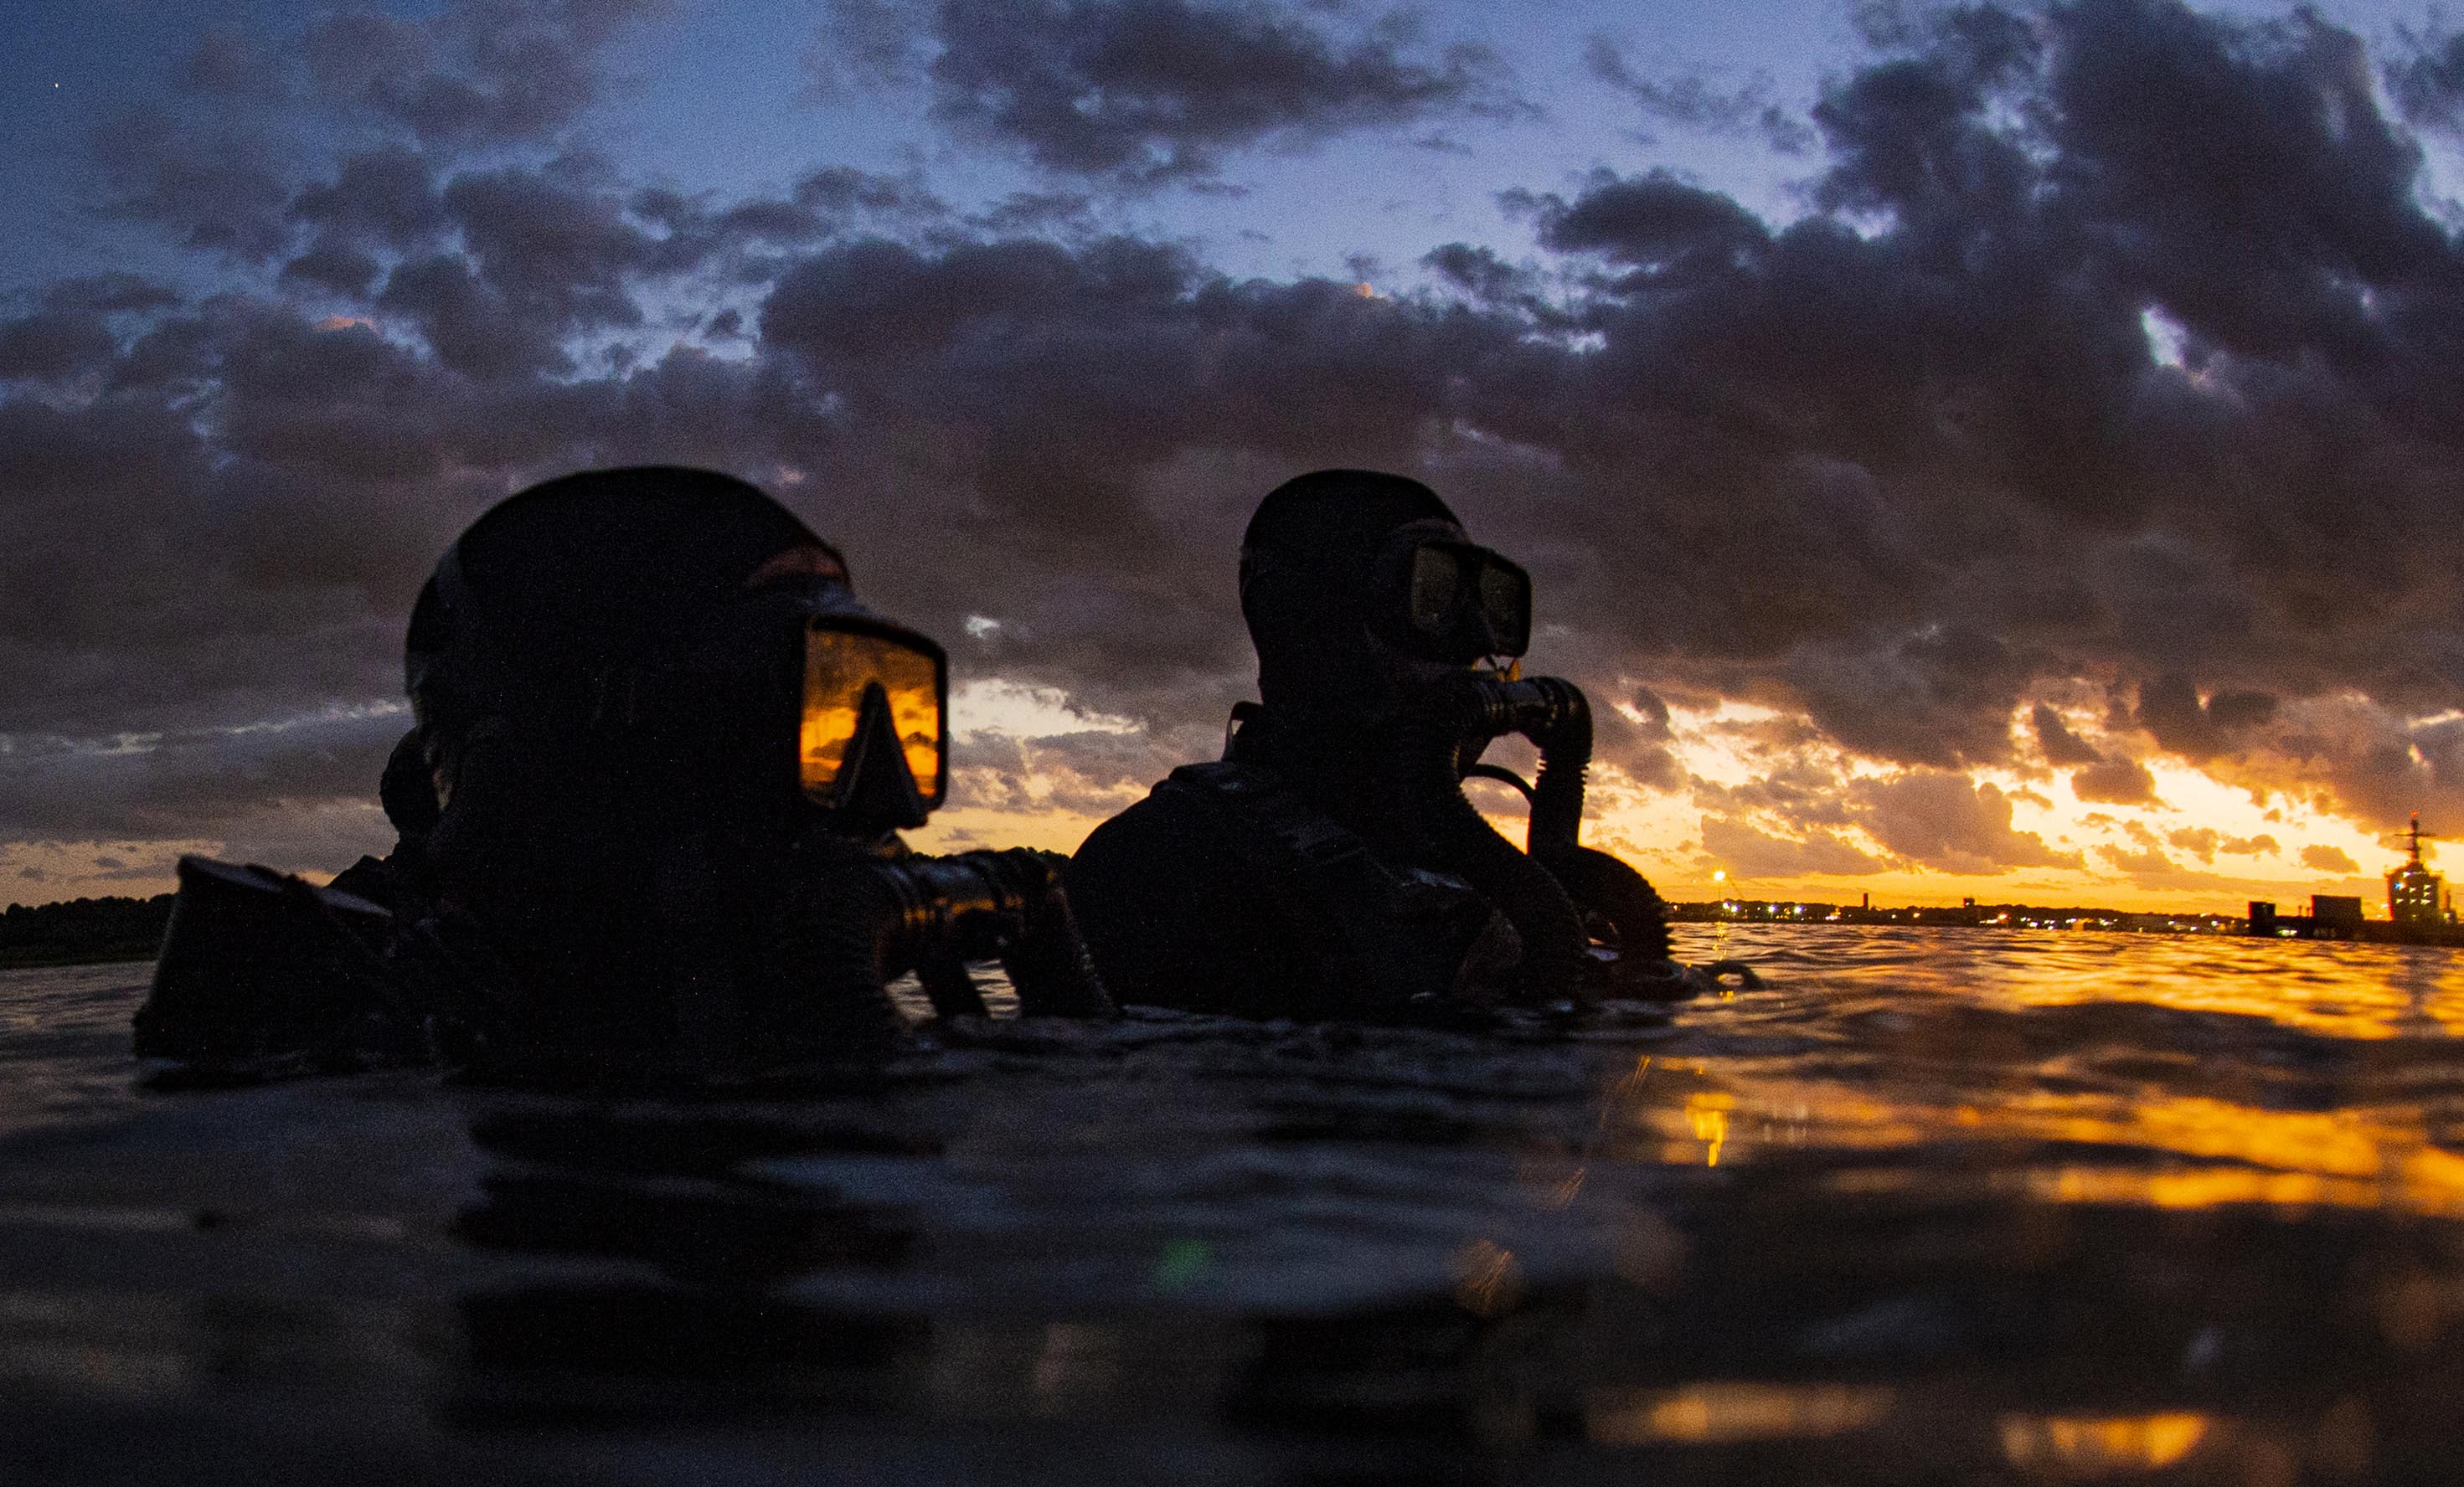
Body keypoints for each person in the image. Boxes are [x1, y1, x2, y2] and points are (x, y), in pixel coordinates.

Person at [137, 467, 1109, 1084]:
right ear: (596, 734)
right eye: (814, 703)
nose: (882, 793)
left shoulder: (741, 966)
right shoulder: (316, 1023)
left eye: (887, 704)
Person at [1066, 469, 1695, 1020]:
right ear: (1313, 623)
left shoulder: (1482, 875)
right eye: (1435, 597)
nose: (1477, 643)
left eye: (1492, 605)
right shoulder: (1163, 865)